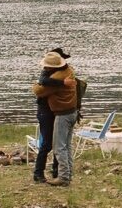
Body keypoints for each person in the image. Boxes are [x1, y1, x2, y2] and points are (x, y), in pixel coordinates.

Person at [32, 51, 78, 187]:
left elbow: (38, 90)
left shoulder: (58, 76)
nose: (45, 68)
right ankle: (52, 173)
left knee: (58, 146)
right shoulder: (66, 73)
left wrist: (35, 86)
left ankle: (61, 175)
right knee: (56, 144)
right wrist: (62, 82)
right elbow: (43, 79)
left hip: (59, 113)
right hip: (53, 113)